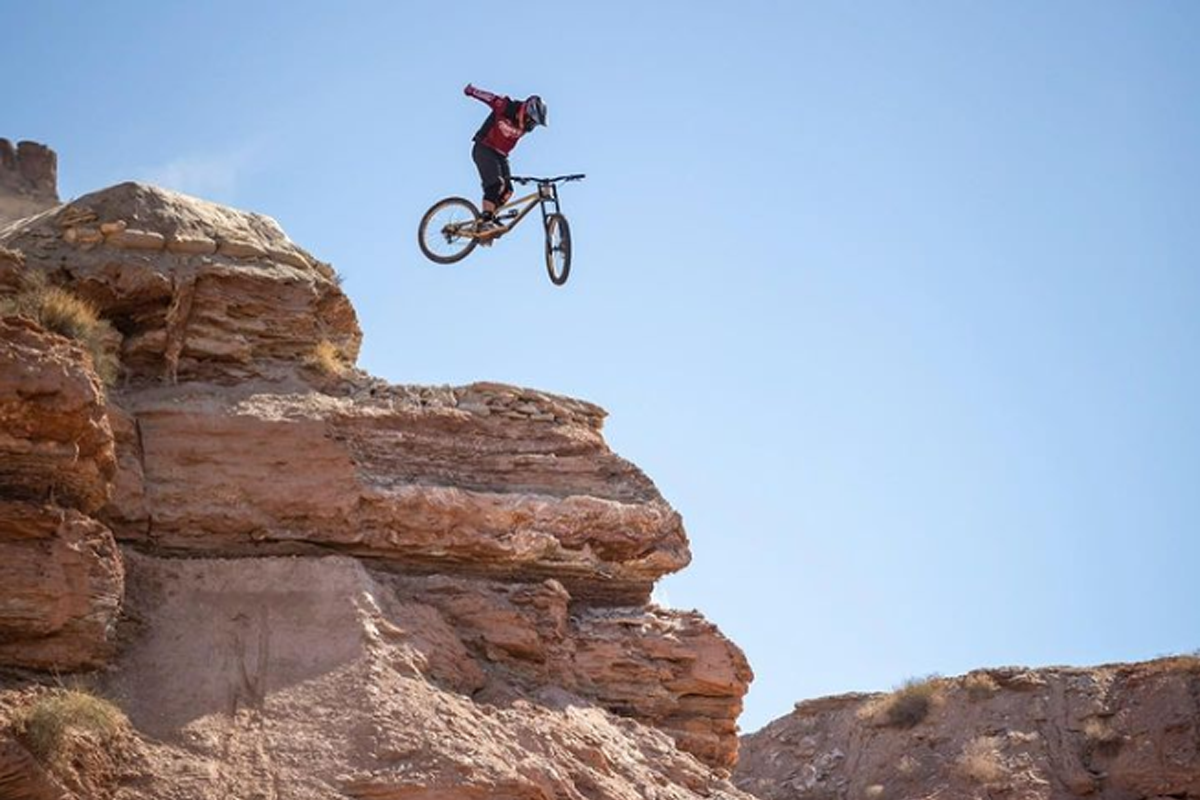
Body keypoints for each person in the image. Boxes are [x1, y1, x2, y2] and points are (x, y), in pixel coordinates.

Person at [464, 84, 547, 234]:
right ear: (526, 111)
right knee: (495, 185)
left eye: (535, 124)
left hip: (501, 155)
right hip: (484, 148)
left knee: (508, 190)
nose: (531, 126)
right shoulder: (506, 107)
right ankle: (486, 221)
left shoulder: (526, 126)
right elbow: (490, 98)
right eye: (532, 121)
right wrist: (472, 91)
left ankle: (489, 219)